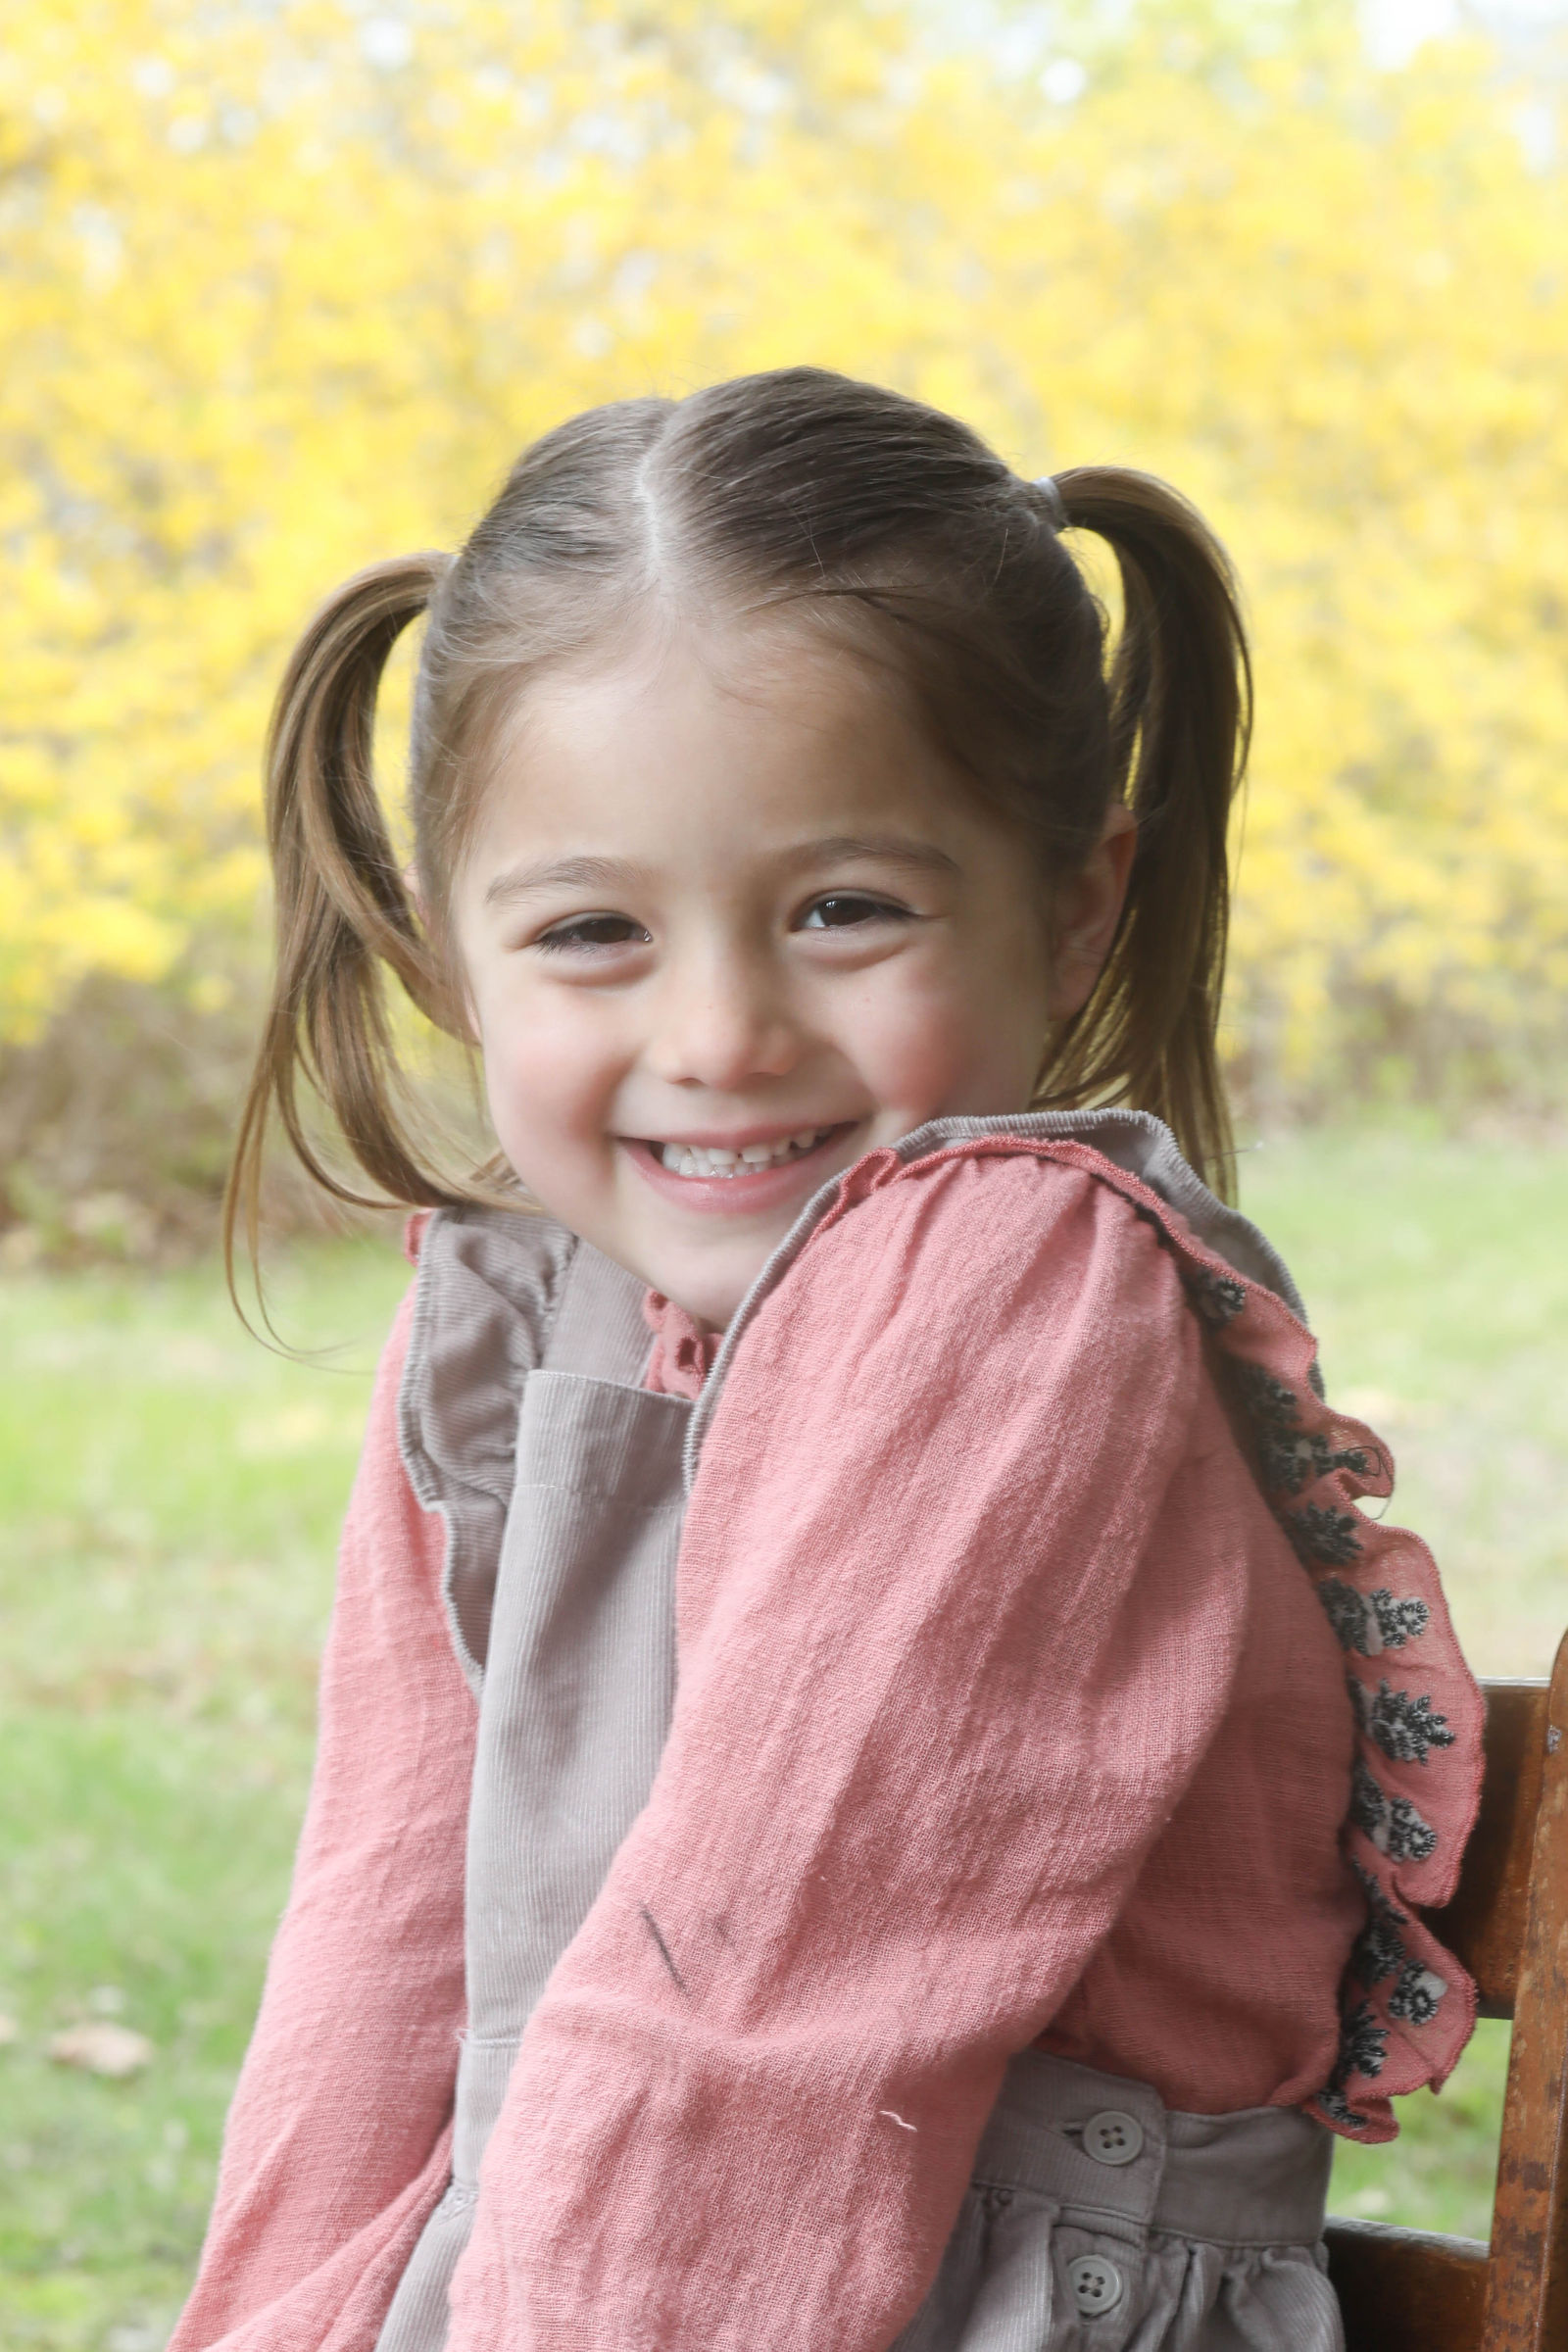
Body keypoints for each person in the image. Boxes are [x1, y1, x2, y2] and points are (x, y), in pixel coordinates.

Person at [171, 368, 1482, 2352]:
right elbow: (368, 1984)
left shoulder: (1009, 1287)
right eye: (594, 930)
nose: (718, 1033)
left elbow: (759, 2026)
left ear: (1068, 912)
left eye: (844, 910)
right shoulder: (519, 1317)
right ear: (453, 954)